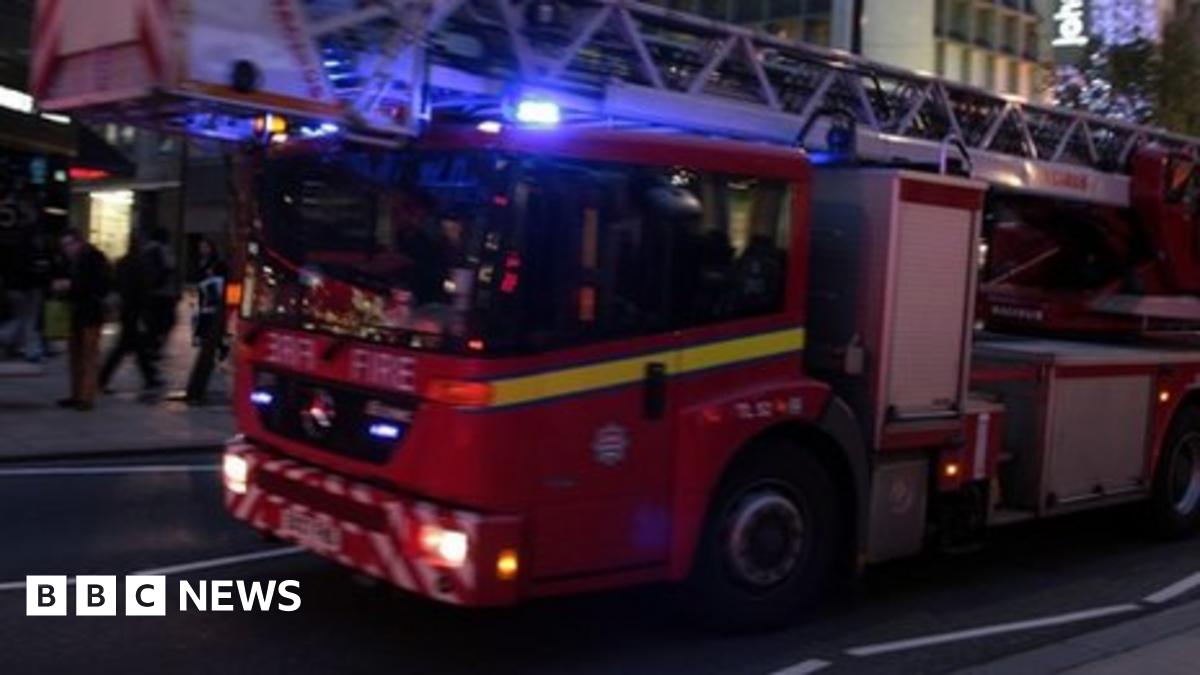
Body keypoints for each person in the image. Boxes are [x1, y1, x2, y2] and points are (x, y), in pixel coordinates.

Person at [54, 229, 111, 411]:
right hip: (75, 312)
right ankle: (76, 394)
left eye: (69, 244)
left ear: (79, 242)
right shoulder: (71, 260)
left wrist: (70, 285)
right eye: (64, 246)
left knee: (88, 355)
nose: (66, 249)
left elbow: (95, 285)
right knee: (75, 356)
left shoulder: (94, 258)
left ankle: (86, 398)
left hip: (90, 313)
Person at [99, 233, 162, 394]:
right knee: (126, 345)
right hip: (136, 307)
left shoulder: (122, 263)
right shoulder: (143, 263)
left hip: (126, 306)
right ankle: (103, 378)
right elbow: (147, 287)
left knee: (131, 344)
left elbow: (116, 284)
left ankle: (149, 376)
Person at [184, 236, 227, 403]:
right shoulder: (201, 263)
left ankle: (218, 353)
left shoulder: (218, 264)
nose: (203, 249)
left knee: (209, 333)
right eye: (201, 247)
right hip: (204, 303)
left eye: (205, 246)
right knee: (204, 333)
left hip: (213, 305)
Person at [141, 226, 179, 364]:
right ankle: (152, 348)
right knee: (167, 321)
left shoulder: (146, 250)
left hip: (151, 293)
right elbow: (170, 267)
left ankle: (151, 347)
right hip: (163, 293)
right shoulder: (162, 249)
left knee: (153, 323)